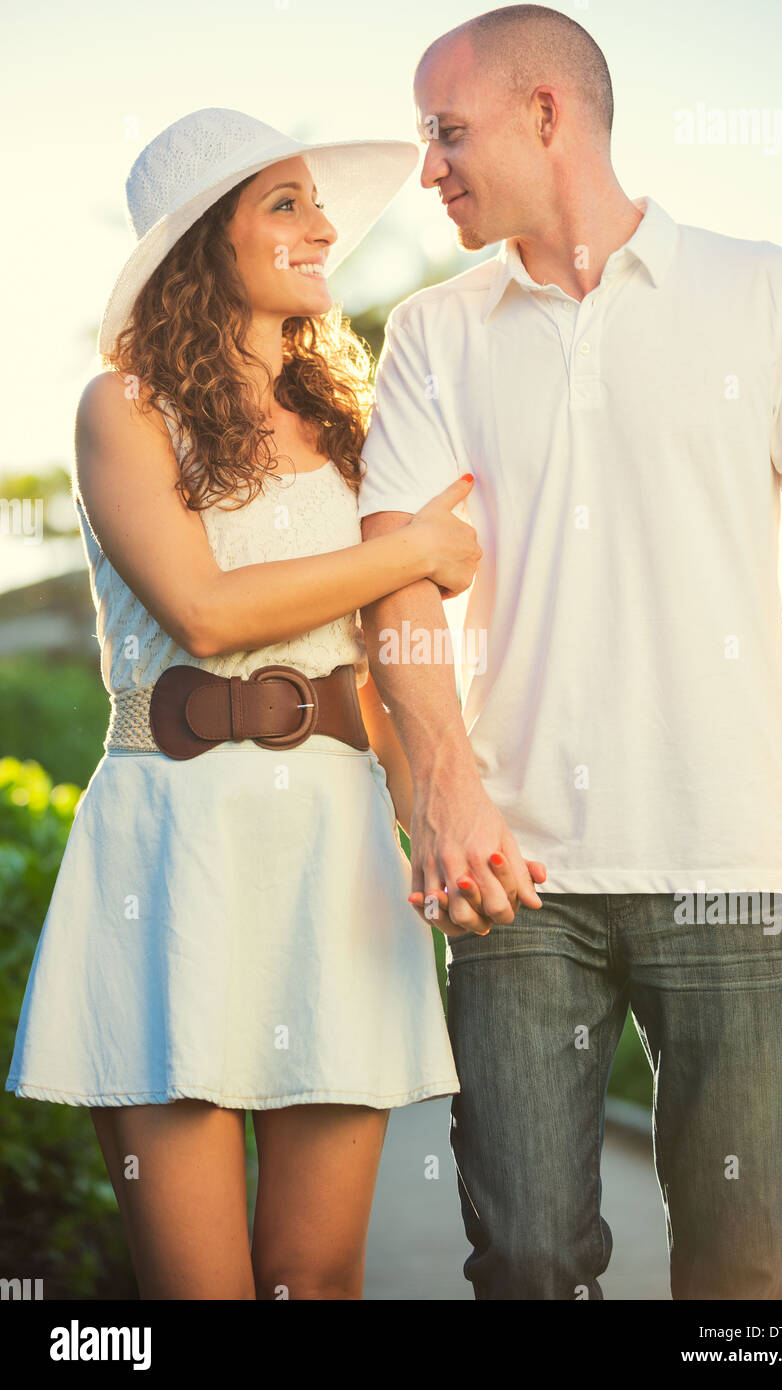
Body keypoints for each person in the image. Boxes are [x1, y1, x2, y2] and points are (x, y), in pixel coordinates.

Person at [358, 6, 782, 1299]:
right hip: (515, 865)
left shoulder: (763, 288)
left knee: (746, 1273)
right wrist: (444, 780)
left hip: (732, 860)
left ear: (546, 115)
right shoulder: (430, 333)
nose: (429, 167)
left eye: (445, 130)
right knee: (524, 1260)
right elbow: (399, 587)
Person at [5, 106, 483, 1301]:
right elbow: (207, 612)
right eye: (284, 202)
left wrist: (440, 803)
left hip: (332, 847)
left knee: (315, 1280)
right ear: (198, 241)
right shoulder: (121, 409)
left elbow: (394, 662)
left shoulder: (357, 425)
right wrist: (415, 546)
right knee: (197, 1296)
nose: (323, 226)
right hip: (171, 845)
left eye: (316, 202)